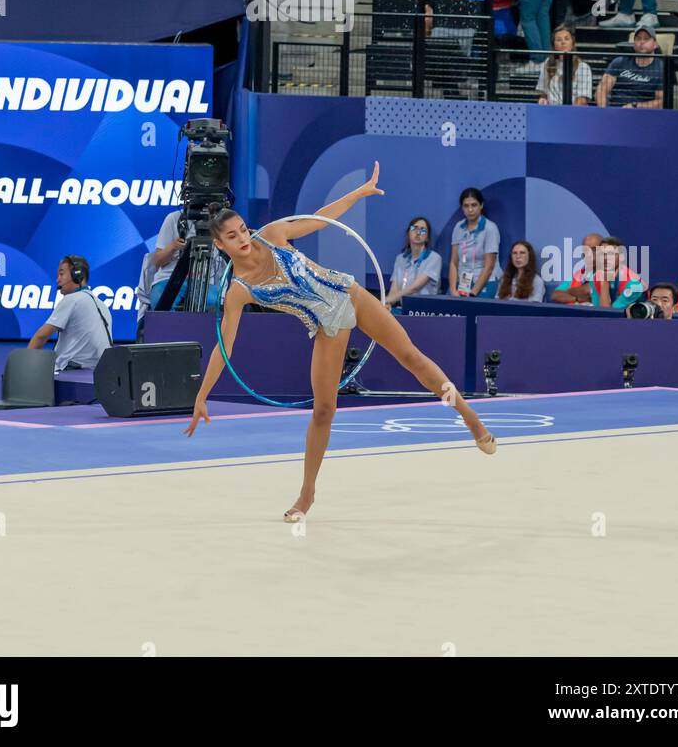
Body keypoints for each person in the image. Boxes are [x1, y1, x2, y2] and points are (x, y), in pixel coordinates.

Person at [185, 169, 496, 523]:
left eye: (242, 228)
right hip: (326, 327)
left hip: (349, 294)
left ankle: (470, 418)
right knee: (323, 411)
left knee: (410, 357)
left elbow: (321, 219)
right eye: (232, 235)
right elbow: (224, 346)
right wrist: (202, 394)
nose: (242, 237)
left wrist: (358, 193)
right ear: (220, 245)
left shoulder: (272, 234)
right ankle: (307, 495)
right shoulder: (238, 291)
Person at [27, 256, 113, 374]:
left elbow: (40, 336)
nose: (58, 280)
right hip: (99, 372)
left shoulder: (72, 299)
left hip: (71, 370)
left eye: (61, 274)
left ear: (77, 275)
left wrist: (24, 366)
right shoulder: (102, 305)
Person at [596, 19, 664, 108]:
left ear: (655, 44)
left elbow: (661, 102)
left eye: (646, 39)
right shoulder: (619, 62)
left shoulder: (661, 68)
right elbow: (602, 89)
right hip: (616, 112)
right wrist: (603, 112)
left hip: (644, 114)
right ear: (634, 43)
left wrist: (635, 106)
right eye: (638, 38)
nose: (642, 42)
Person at [448, 187, 501, 299]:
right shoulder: (459, 227)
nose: (470, 210)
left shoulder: (490, 228)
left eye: (474, 205)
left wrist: (473, 293)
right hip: (463, 282)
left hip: (486, 282)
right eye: (466, 206)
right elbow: (454, 262)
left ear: (481, 205)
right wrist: (453, 290)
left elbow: (489, 266)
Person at [386, 217, 443, 308]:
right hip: (402, 308)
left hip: (425, 311)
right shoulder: (400, 259)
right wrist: (388, 303)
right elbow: (394, 288)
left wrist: (387, 300)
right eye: (414, 228)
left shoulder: (434, 258)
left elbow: (414, 288)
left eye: (423, 230)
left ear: (427, 237)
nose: (418, 232)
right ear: (408, 233)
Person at [536, 25, 593, 106]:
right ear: (554, 45)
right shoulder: (547, 63)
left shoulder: (583, 67)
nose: (563, 42)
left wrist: (566, 113)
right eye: (559, 40)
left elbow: (582, 99)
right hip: (551, 110)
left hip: (573, 112)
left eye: (567, 39)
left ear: (572, 44)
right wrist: (543, 99)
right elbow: (543, 93)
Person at [585, 238, 646, 310]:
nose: (605, 258)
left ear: (621, 257)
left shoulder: (634, 284)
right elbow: (598, 312)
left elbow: (608, 314)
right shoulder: (594, 278)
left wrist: (604, 282)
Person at [550, 232, 604, 306]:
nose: (590, 254)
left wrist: (568, 292)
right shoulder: (579, 274)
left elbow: (588, 290)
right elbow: (555, 295)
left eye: (594, 250)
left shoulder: (610, 273)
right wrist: (577, 299)